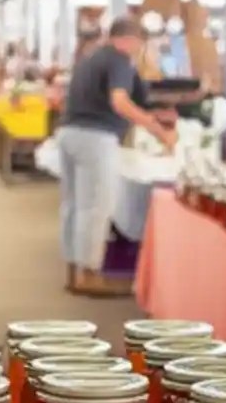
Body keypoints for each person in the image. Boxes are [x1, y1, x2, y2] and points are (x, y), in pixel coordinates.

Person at [57, 17, 177, 294]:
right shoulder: (119, 60)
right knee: (96, 207)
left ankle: (73, 271)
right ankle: (90, 273)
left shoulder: (92, 58)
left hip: (69, 133)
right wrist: (158, 129)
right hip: (95, 138)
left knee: (73, 206)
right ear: (131, 40)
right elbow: (119, 102)